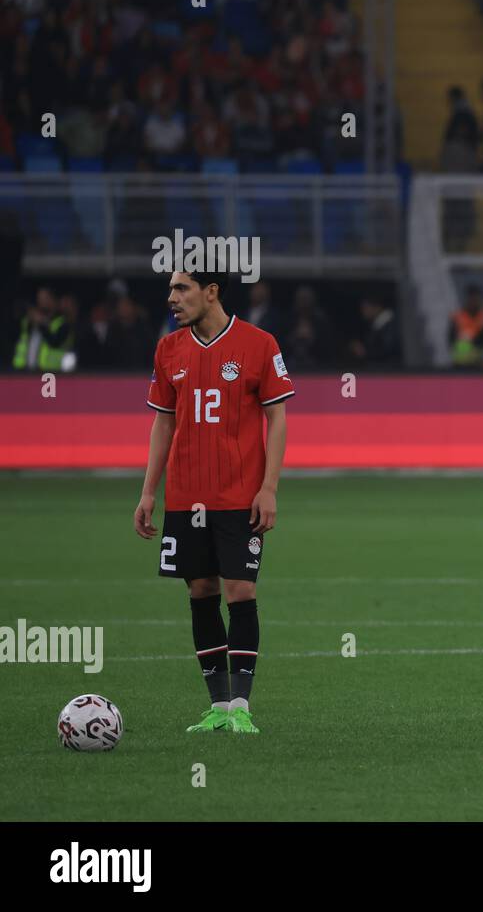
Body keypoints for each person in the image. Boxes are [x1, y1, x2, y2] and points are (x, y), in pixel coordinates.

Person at [132, 269, 295, 735]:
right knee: (199, 592)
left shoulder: (259, 343)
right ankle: (218, 707)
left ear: (211, 292)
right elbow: (163, 424)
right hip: (185, 496)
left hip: (238, 495)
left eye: (181, 289)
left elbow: (277, 418)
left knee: (240, 590)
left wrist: (269, 487)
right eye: (169, 290)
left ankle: (242, 705)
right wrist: (148, 490)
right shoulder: (169, 349)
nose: (172, 298)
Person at [11, 285, 71, 371]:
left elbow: (54, 343)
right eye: (39, 298)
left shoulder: (62, 323)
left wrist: (41, 324)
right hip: (23, 371)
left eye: (45, 298)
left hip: (50, 374)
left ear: (54, 300)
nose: (41, 302)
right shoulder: (29, 321)